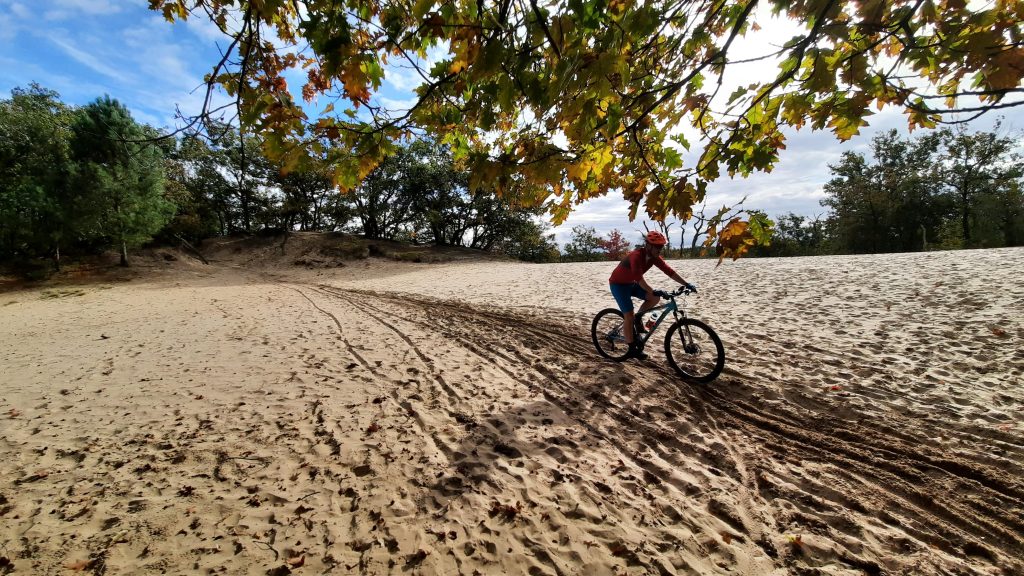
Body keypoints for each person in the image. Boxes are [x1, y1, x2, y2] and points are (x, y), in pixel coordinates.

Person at [608, 231, 695, 360]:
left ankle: (639, 318)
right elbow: (639, 279)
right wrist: (652, 290)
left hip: (631, 283)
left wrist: (686, 284)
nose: (660, 249)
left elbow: (669, 271)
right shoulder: (636, 256)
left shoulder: (655, 258)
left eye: (662, 247)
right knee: (629, 316)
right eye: (657, 247)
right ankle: (632, 349)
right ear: (648, 245)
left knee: (654, 298)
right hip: (618, 285)